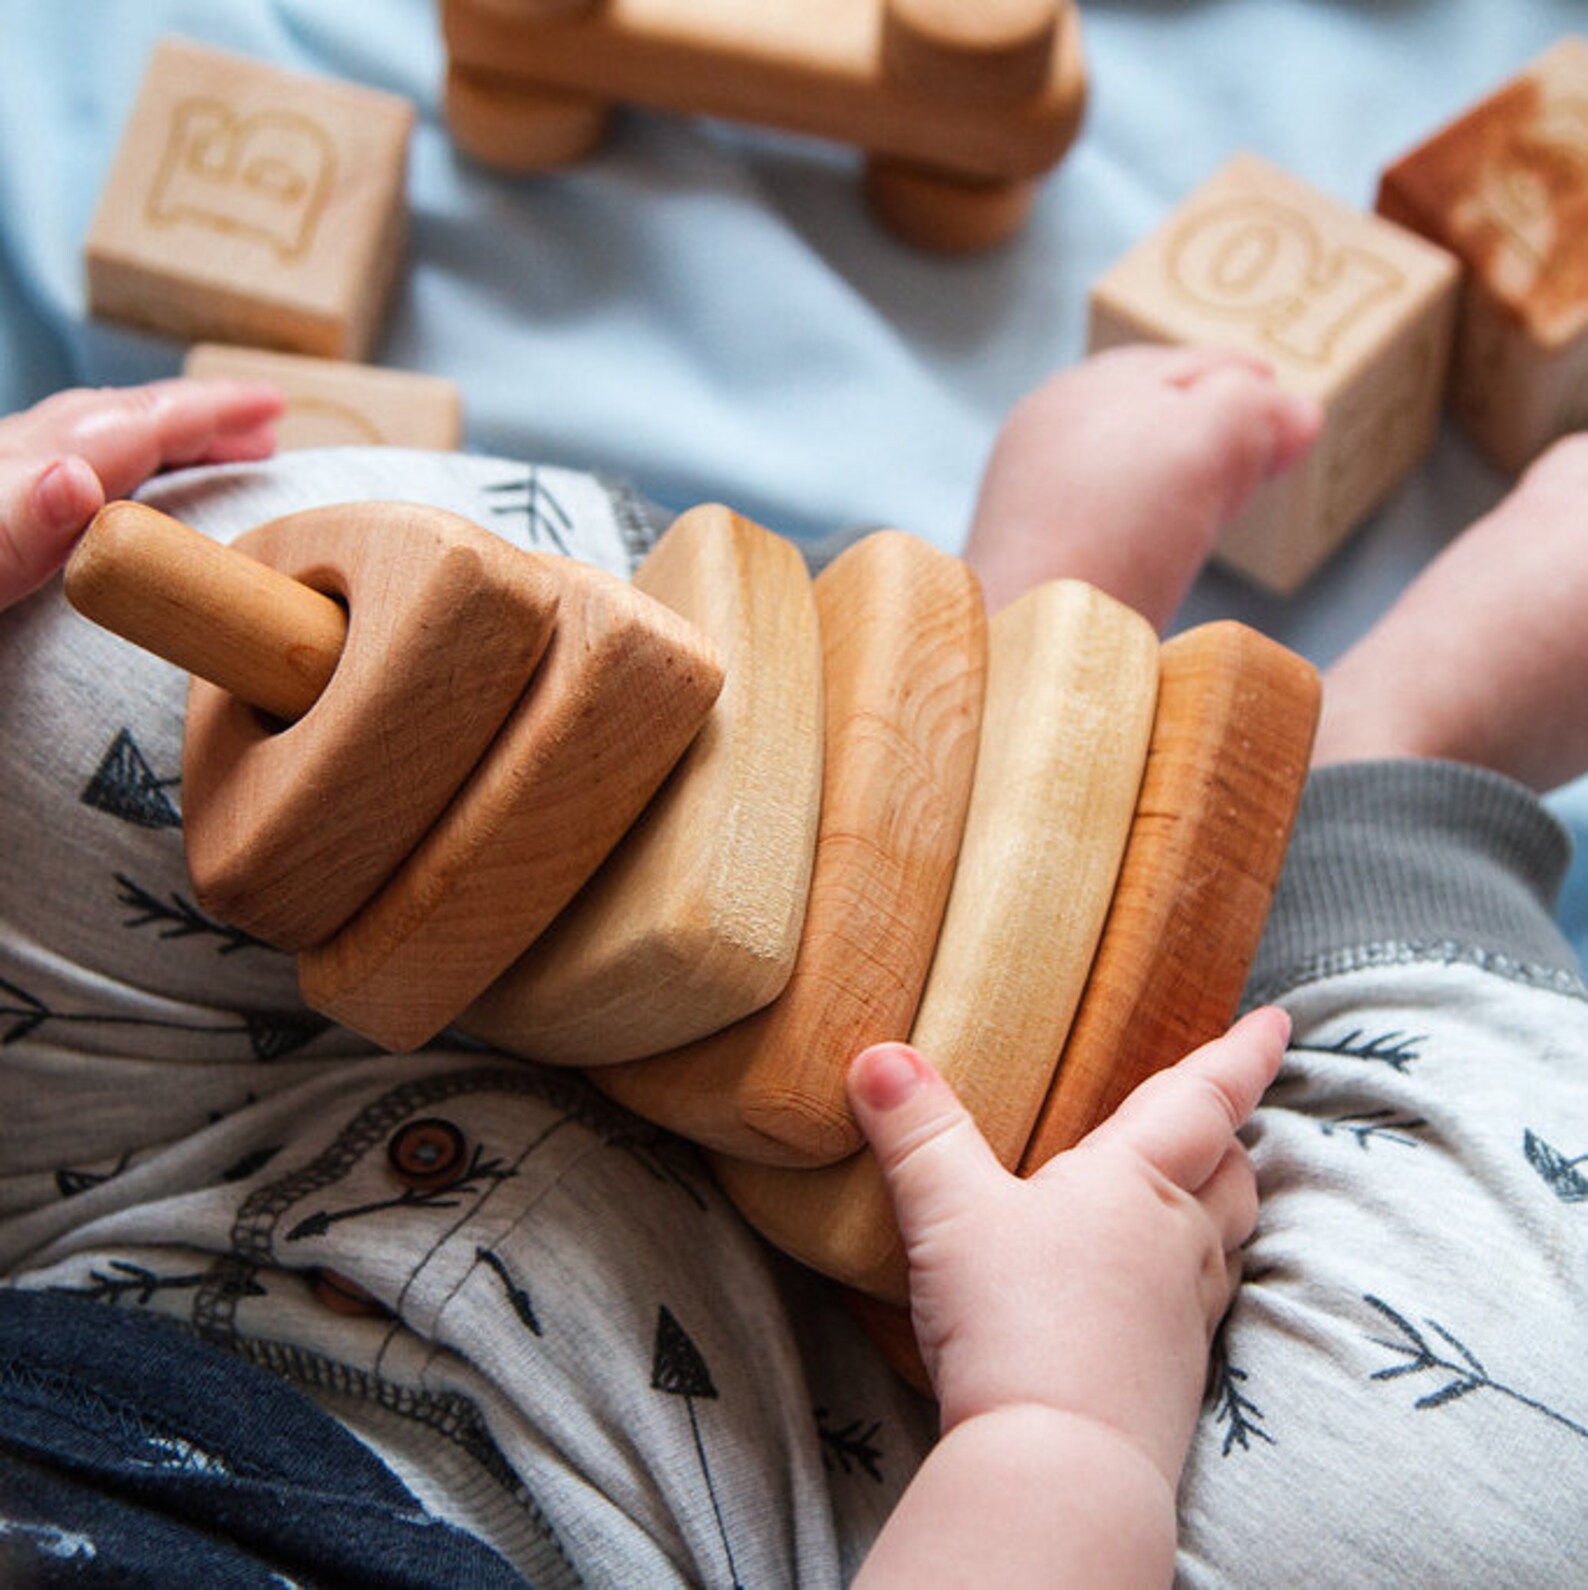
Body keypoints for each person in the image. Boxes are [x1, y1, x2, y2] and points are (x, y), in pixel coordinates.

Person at [0, 344, 1584, 1585]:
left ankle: (964, 748)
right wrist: (1061, 1429)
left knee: (98, 649)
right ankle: (1368, 782)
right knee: (1452, 1508)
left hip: (178, 1211)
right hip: (855, 1512)